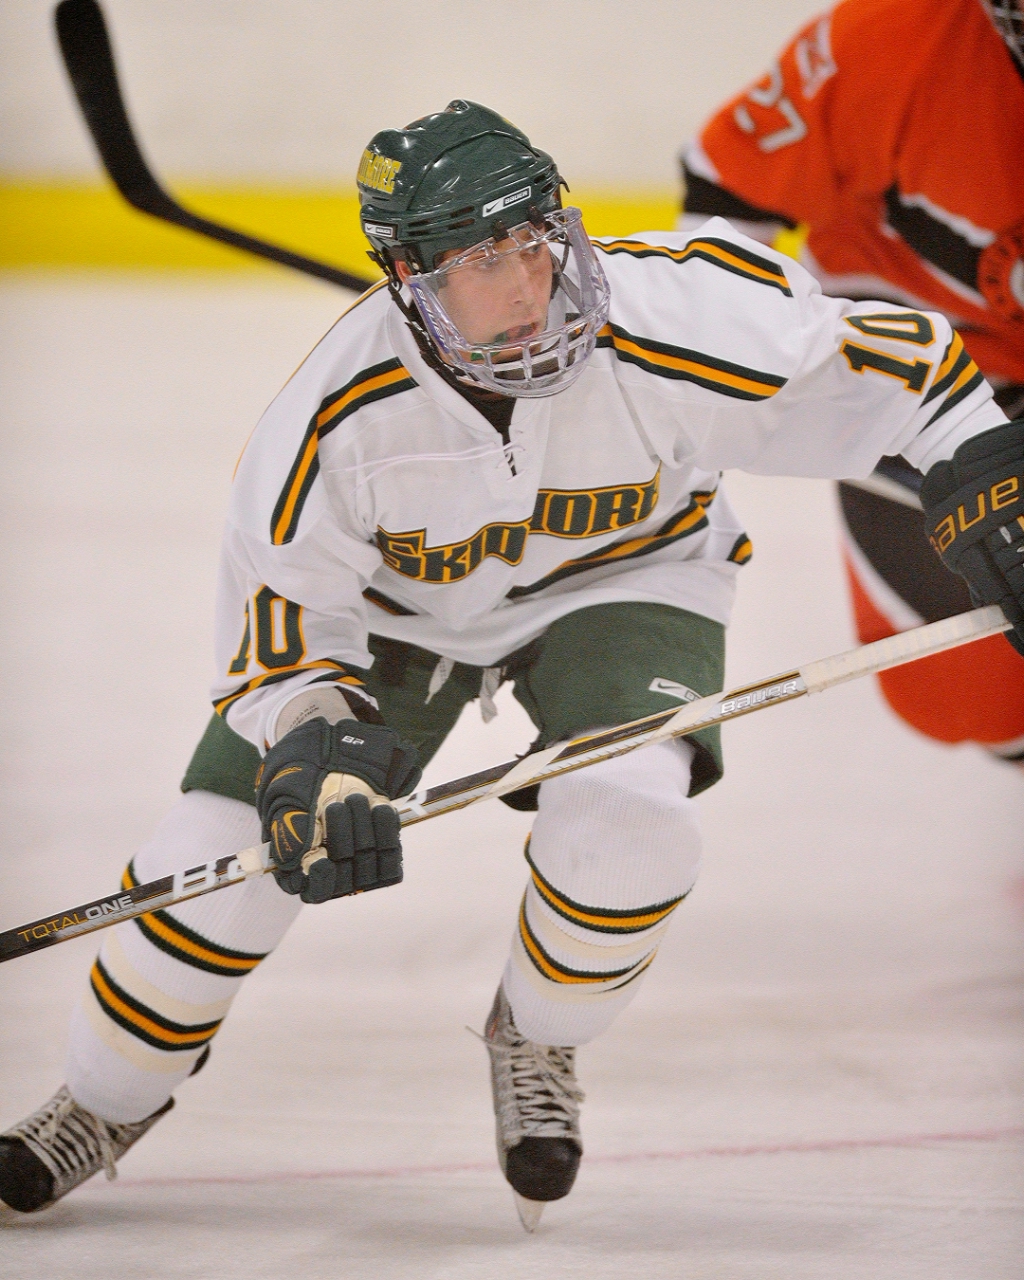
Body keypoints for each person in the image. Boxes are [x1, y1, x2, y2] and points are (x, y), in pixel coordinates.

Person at [2, 99, 1021, 1232]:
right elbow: (284, 624)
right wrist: (312, 749)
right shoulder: (331, 417)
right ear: (410, 278)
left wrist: (987, 469)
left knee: (631, 828)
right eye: (486, 261)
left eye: (538, 241)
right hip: (393, 623)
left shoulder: (671, 309)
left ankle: (535, 1036)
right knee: (212, 867)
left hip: (629, 577)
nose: (532, 284)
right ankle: (102, 1101)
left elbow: (903, 363)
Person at [677, 0, 1024, 759]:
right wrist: (719, 358)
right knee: (963, 696)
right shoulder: (885, 39)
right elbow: (726, 193)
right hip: (932, 382)